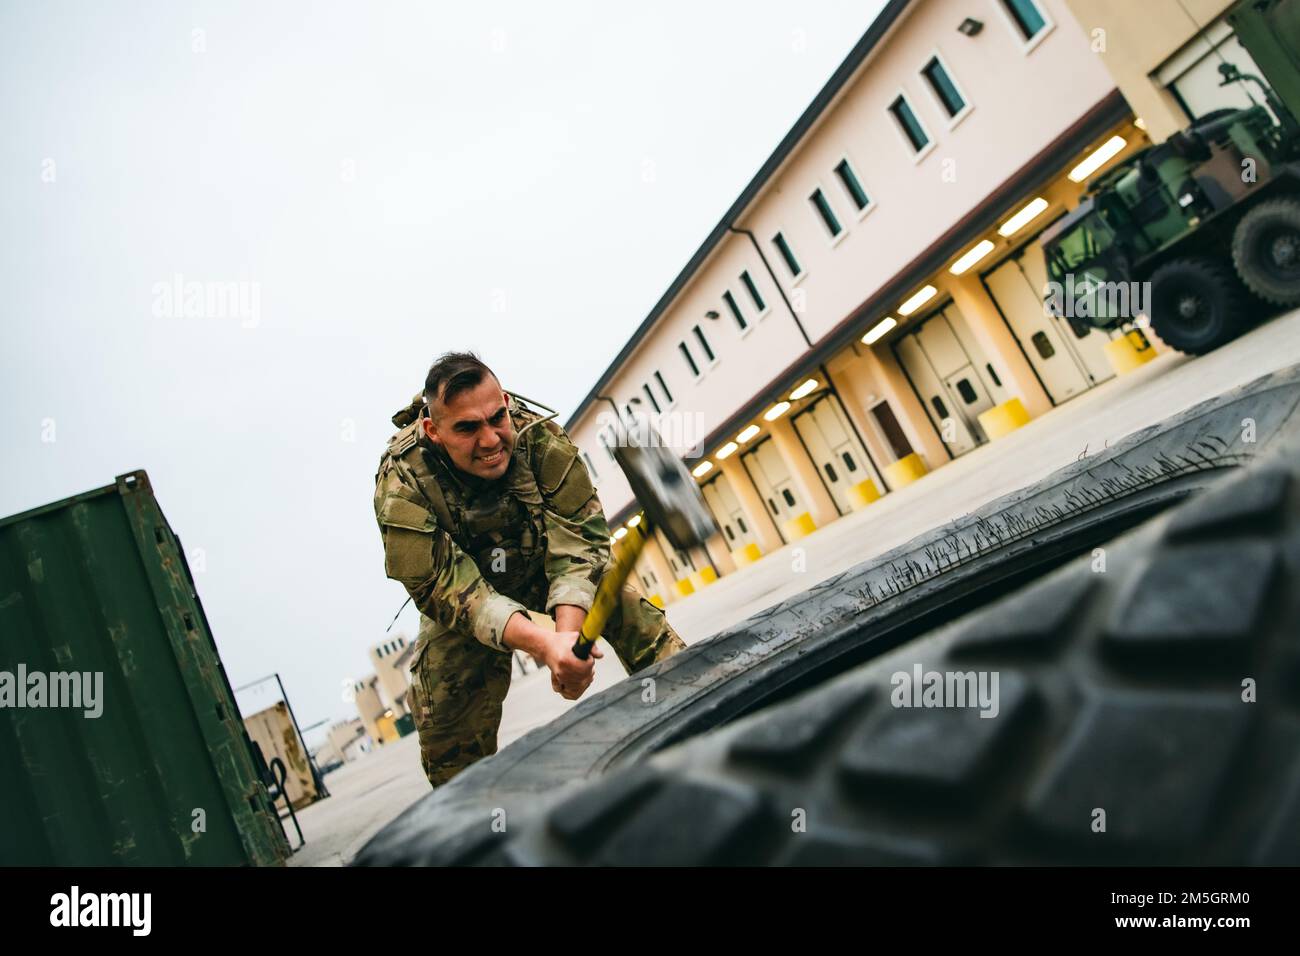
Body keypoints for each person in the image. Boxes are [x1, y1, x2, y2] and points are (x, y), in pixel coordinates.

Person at [373, 351, 686, 787]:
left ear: (504, 400)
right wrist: (543, 644)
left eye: (495, 417)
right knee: (445, 719)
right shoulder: (402, 479)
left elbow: (580, 540)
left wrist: (568, 636)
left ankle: (706, 733)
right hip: (468, 599)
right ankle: (475, 828)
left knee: (638, 619)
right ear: (433, 430)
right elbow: (441, 586)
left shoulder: (538, 437)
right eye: (466, 428)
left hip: (545, 567)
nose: (490, 440)